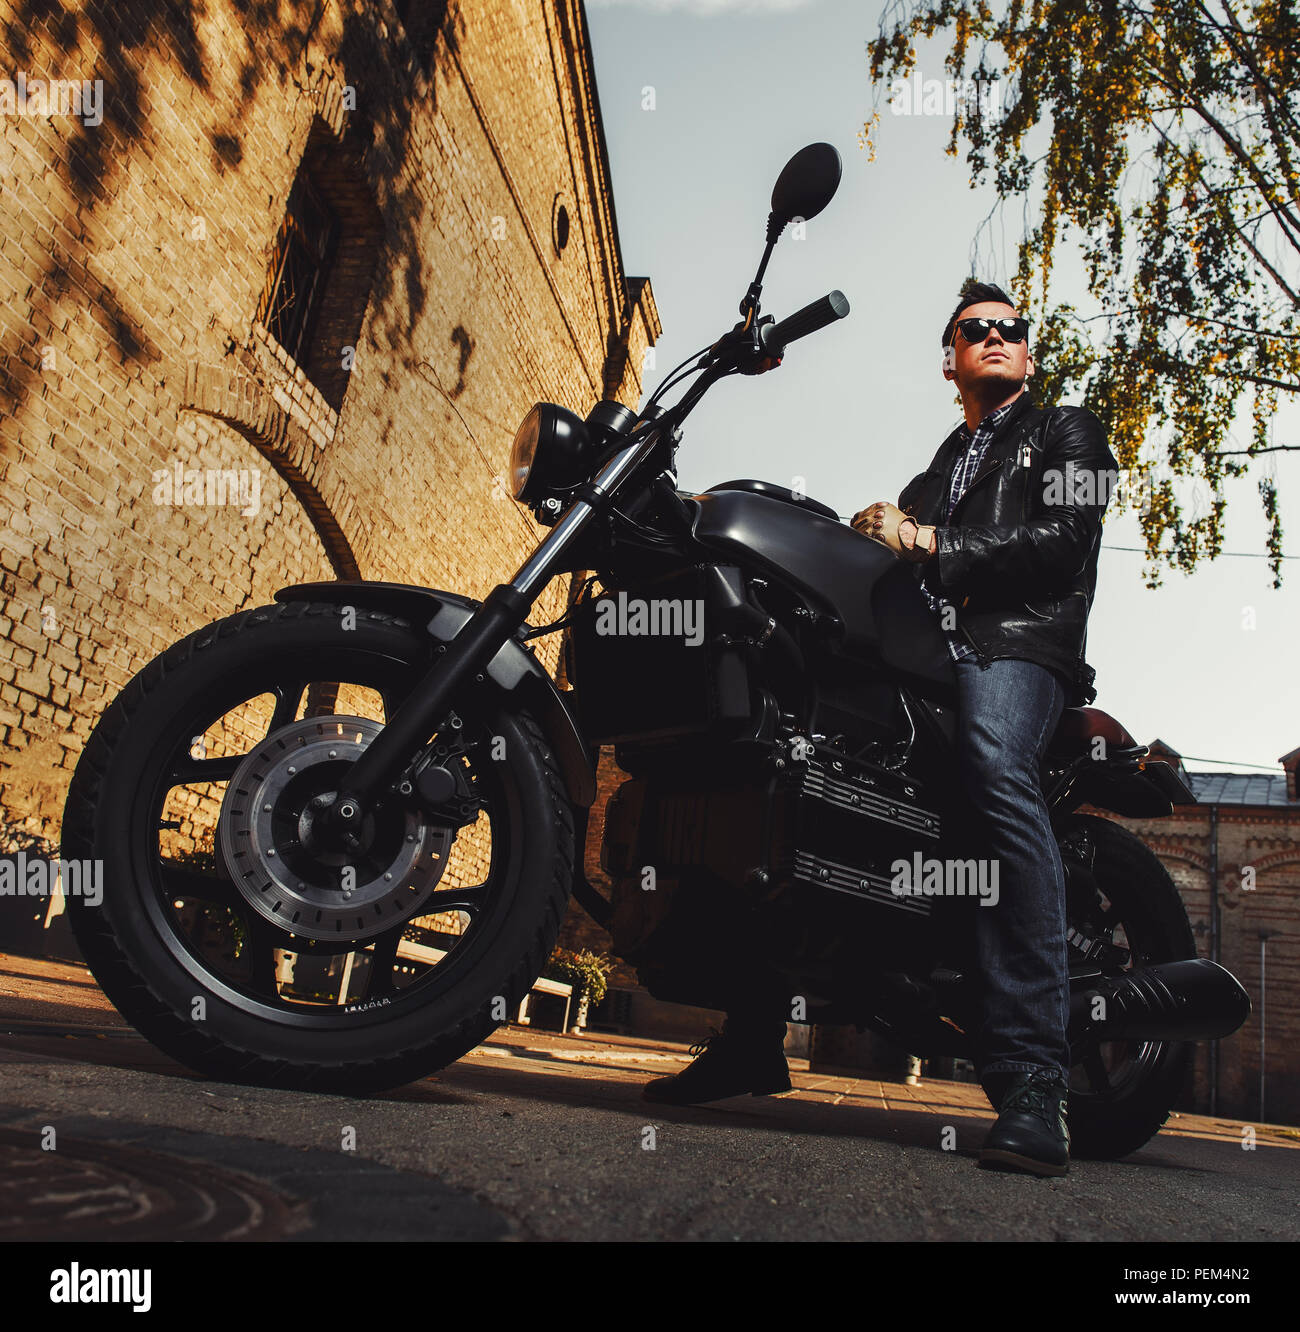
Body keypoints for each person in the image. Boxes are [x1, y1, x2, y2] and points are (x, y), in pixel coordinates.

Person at [641, 280, 1119, 1178]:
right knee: (802, 757)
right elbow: (888, 553)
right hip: (930, 660)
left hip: (1021, 651)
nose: (995, 338)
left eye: (1009, 330)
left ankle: (1032, 1080)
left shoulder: (1070, 431)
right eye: (974, 330)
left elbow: (1068, 541)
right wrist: (868, 526)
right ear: (951, 358)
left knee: (992, 767)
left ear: (1026, 349)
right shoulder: (945, 459)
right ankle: (752, 1035)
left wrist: (931, 543)